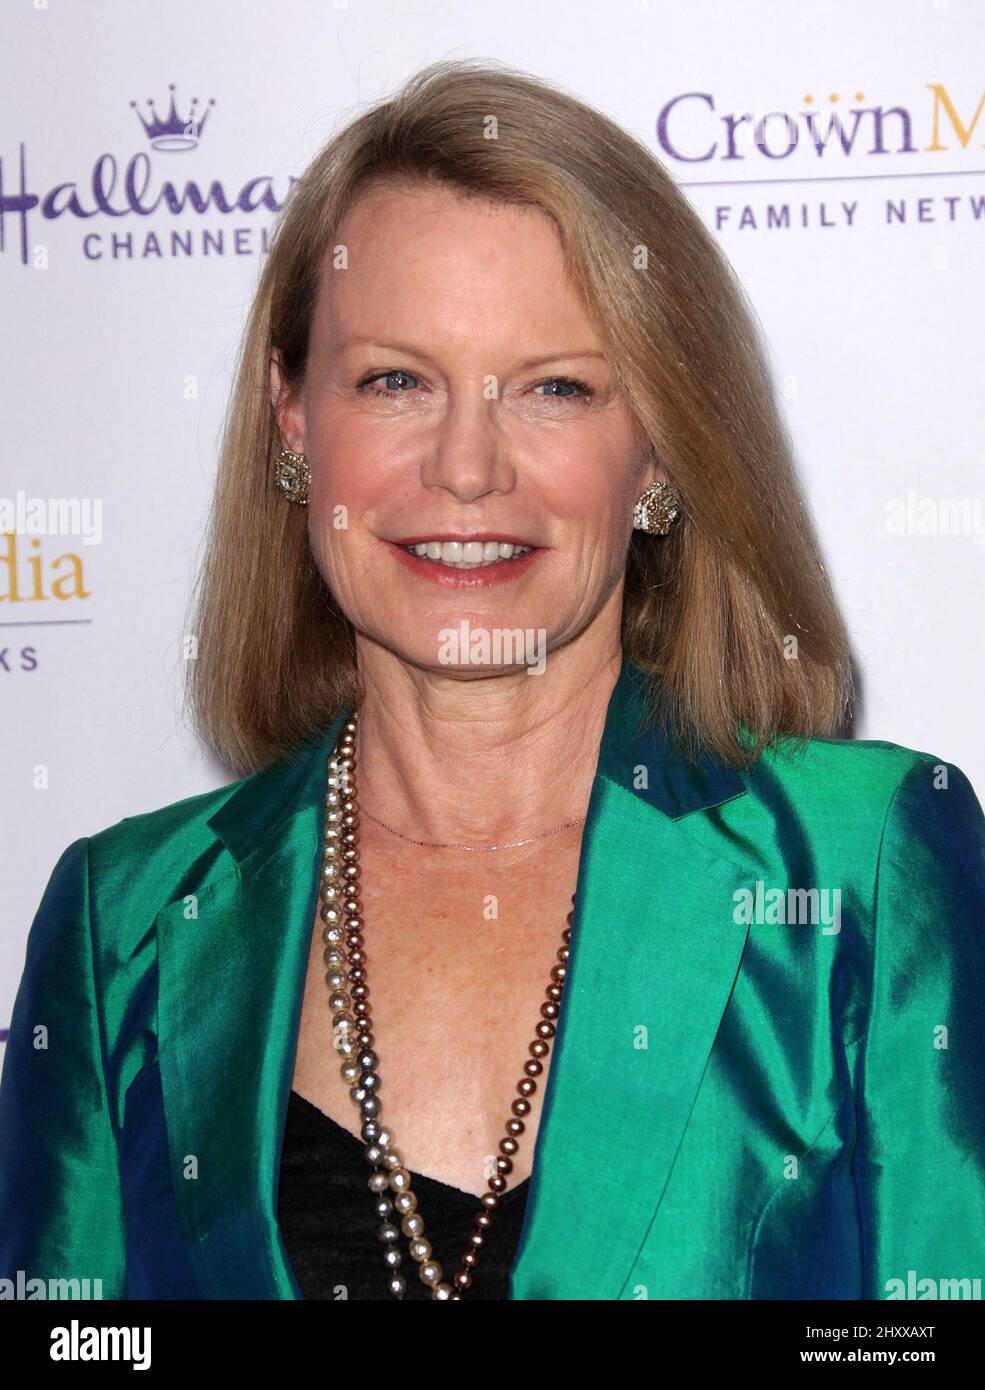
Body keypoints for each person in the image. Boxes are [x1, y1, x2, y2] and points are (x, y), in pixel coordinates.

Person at [1, 58, 983, 1303]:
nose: (466, 467)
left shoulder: (862, 873)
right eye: (394, 380)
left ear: (661, 447)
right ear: (293, 418)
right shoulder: (125, 922)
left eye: (555, 388)